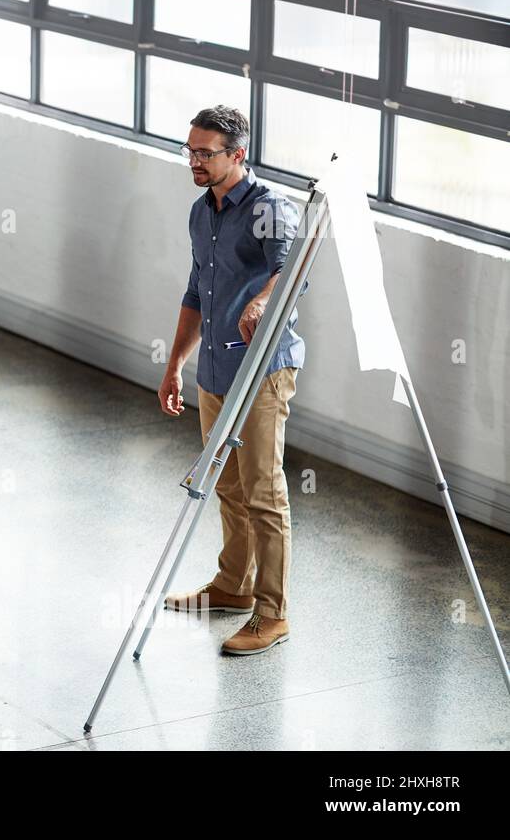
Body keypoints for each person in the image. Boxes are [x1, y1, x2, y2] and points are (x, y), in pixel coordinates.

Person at [158, 106, 304, 657]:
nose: (193, 161)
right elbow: (197, 292)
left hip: (263, 371)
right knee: (226, 484)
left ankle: (272, 615)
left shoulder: (269, 209)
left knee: (265, 493)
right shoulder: (202, 212)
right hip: (216, 370)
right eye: (189, 150)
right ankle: (233, 586)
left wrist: (264, 299)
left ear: (237, 154)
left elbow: (293, 273)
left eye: (205, 153)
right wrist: (175, 364)